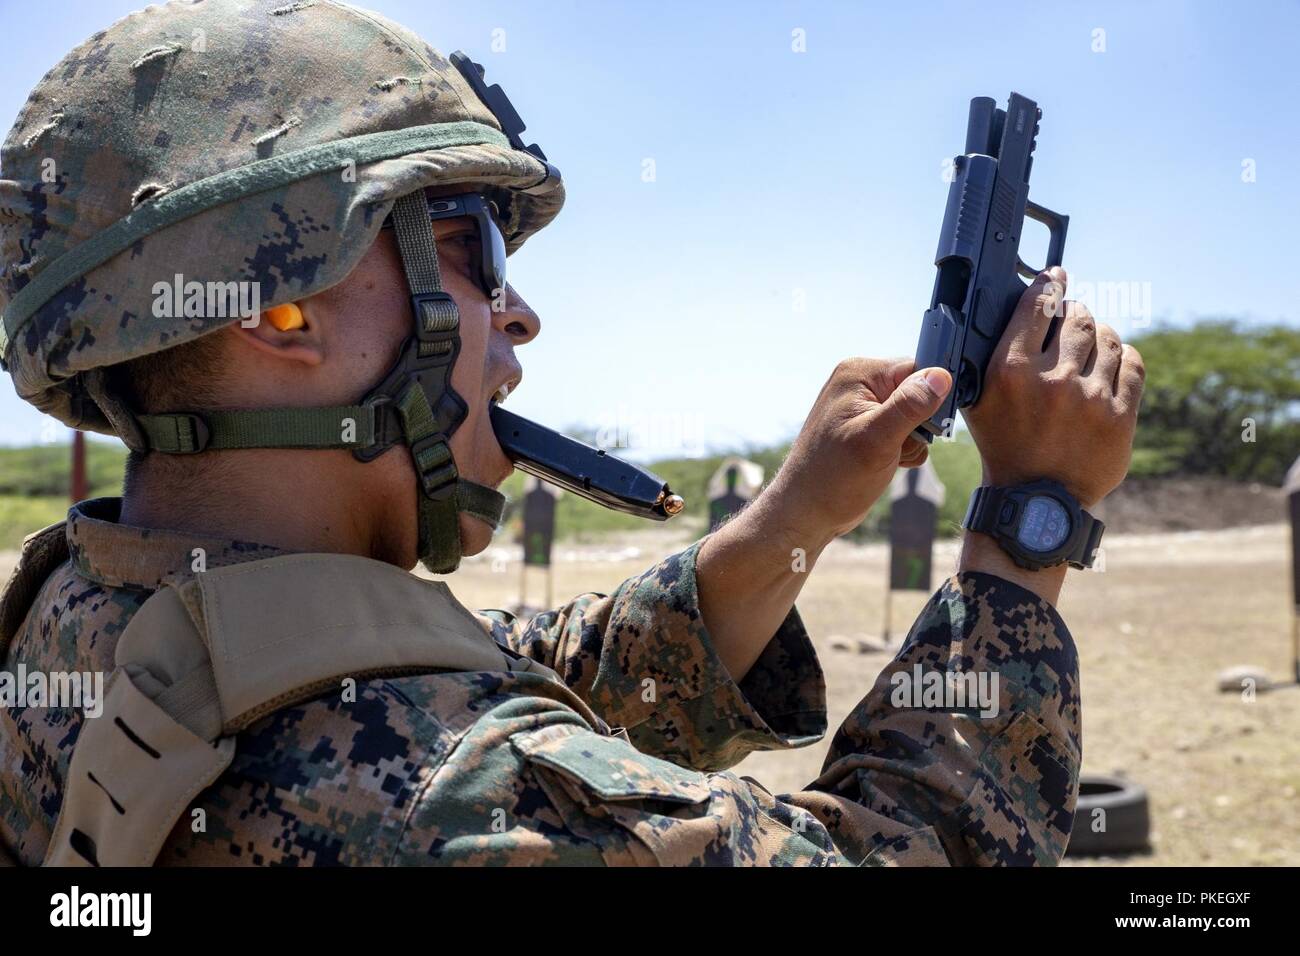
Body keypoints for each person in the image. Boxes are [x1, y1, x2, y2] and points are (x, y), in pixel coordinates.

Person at [0, 0, 1143, 866]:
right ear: (275, 306)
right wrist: (1026, 527)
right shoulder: (464, 800)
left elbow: (513, 671)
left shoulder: (90, 607)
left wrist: (800, 514)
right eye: (470, 250)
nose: (520, 312)